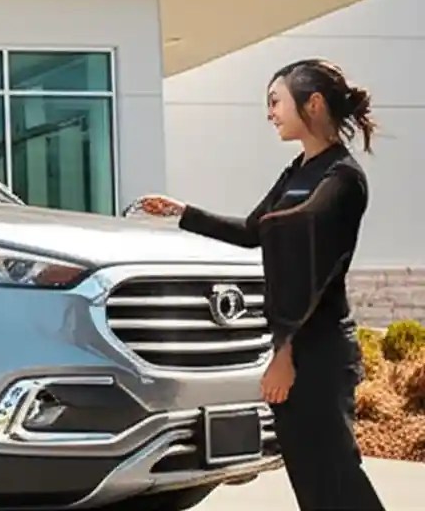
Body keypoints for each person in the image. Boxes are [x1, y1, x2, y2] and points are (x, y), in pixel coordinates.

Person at [135, 58, 384, 511]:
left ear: (312, 103)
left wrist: (284, 351)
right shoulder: (297, 171)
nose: (270, 113)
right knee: (311, 480)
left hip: (321, 349)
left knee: (335, 477)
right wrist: (183, 212)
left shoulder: (342, 178)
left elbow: (313, 259)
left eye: (276, 102)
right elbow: (255, 229)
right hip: (294, 345)